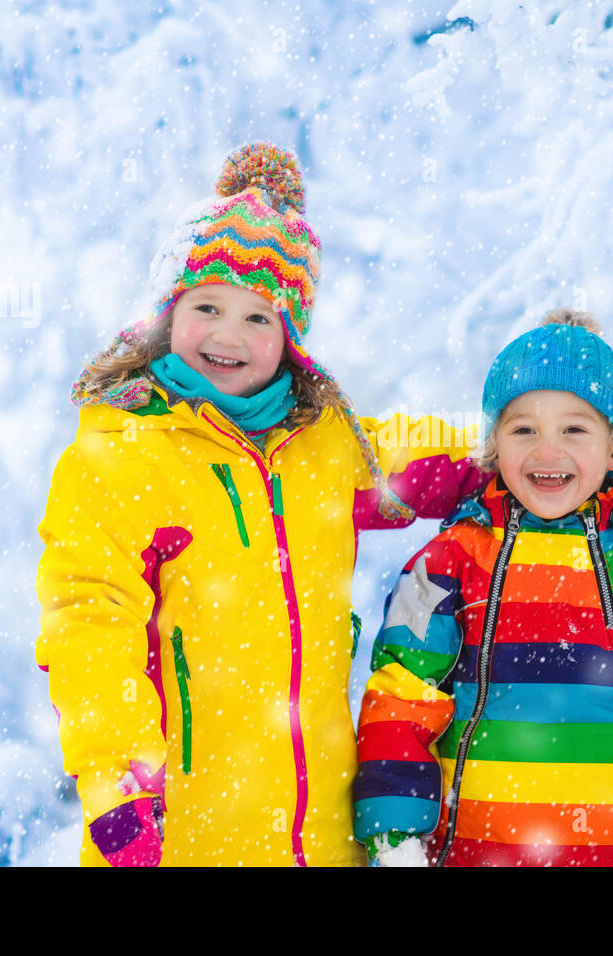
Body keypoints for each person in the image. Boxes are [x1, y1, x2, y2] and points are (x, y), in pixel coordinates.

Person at [34, 142, 490, 866]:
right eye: (206, 305)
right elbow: (90, 627)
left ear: (291, 341)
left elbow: (408, 459)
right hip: (182, 837)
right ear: (167, 312)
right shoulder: (119, 456)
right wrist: (120, 781)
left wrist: (530, 449)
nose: (227, 335)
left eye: (258, 318)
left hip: (322, 841)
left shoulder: (322, 447)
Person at [352, 309, 613, 866]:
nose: (546, 450)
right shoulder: (451, 563)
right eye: (523, 429)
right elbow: (400, 696)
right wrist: (396, 841)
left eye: (574, 429)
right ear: (492, 447)